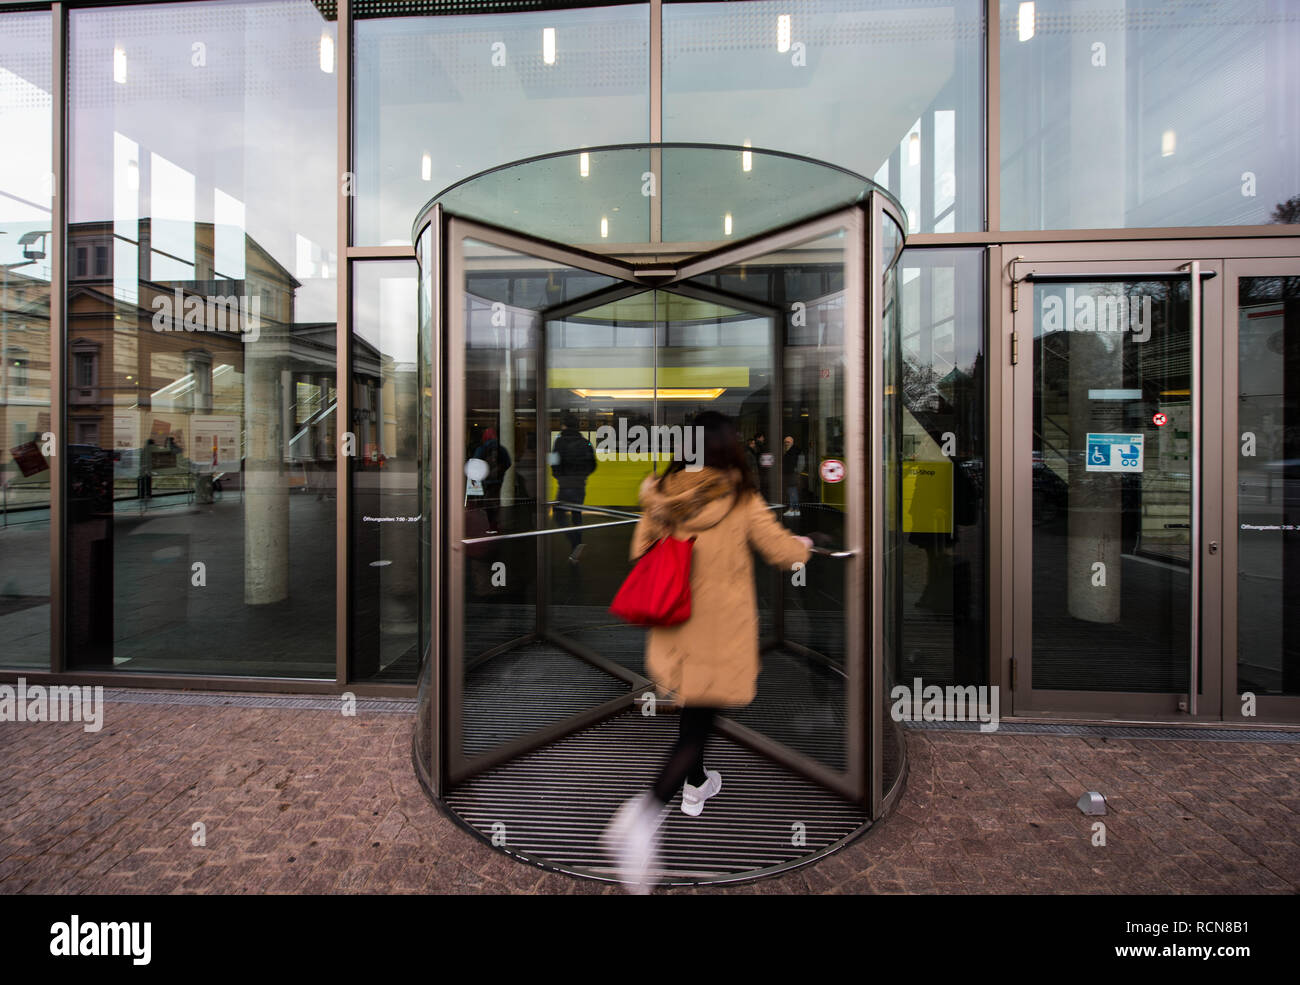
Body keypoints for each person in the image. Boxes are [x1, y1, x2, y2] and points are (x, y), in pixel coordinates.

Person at [600, 410, 813, 893]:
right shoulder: (739, 496)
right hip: (718, 634)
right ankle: (642, 816)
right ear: (726, 445)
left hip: (676, 627)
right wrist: (806, 544)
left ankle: (697, 787)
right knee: (697, 728)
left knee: (692, 713)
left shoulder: (664, 491)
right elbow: (781, 551)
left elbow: (640, 551)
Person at [550, 413, 597, 563]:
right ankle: (576, 548)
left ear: (564, 425)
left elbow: (553, 461)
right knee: (577, 515)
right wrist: (583, 476)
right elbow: (593, 464)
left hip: (564, 484)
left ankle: (574, 542)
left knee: (559, 515)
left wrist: (558, 476)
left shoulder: (559, 441)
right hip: (579, 485)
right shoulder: (585, 442)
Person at [470, 427, 511, 532]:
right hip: (498, 480)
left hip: (486, 480)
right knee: (495, 500)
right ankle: (495, 523)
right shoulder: (501, 448)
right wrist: (501, 471)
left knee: (488, 501)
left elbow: (475, 462)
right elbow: (508, 463)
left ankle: (492, 525)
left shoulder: (482, 448)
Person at [782, 435, 804, 517]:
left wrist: (797, 472)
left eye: (788, 442)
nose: (786, 443)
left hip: (792, 474)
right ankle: (795, 509)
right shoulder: (788, 450)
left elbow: (801, 462)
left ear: (792, 442)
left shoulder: (796, 450)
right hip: (789, 473)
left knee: (792, 491)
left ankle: (793, 509)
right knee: (792, 491)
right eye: (785, 442)